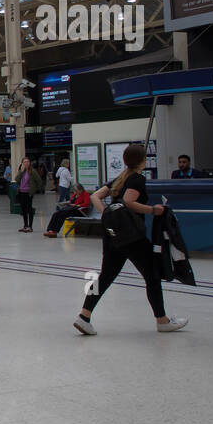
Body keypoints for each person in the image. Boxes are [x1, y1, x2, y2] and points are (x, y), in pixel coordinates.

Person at [74, 143, 188, 335]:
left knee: (106, 276)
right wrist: (153, 210)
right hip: (132, 236)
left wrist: (107, 215)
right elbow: (129, 201)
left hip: (113, 236)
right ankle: (162, 320)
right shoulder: (137, 179)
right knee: (152, 275)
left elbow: (95, 196)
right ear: (143, 161)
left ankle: (84, 316)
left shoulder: (120, 178)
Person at [13, 157, 38, 233]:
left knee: (29, 209)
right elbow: (16, 179)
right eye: (24, 162)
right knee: (23, 209)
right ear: (22, 163)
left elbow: (39, 181)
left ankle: (30, 226)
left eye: (27, 161)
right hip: (21, 192)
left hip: (29, 193)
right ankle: (25, 225)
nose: (26, 163)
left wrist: (33, 190)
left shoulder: (32, 171)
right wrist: (21, 171)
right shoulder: (21, 171)